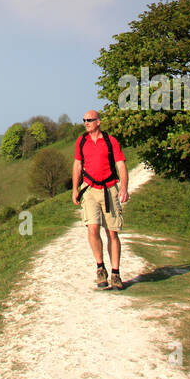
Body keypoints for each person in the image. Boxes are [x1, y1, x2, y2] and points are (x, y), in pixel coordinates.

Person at [72, 110, 129, 290]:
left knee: (112, 232)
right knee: (93, 228)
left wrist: (125, 188)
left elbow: (121, 165)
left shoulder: (111, 141)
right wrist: (75, 188)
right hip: (89, 189)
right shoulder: (81, 141)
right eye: (84, 120)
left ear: (98, 122)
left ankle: (115, 273)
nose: (86, 123)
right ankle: (100, 268)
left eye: (89, 120)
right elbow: (77, 165)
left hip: (109, 188)